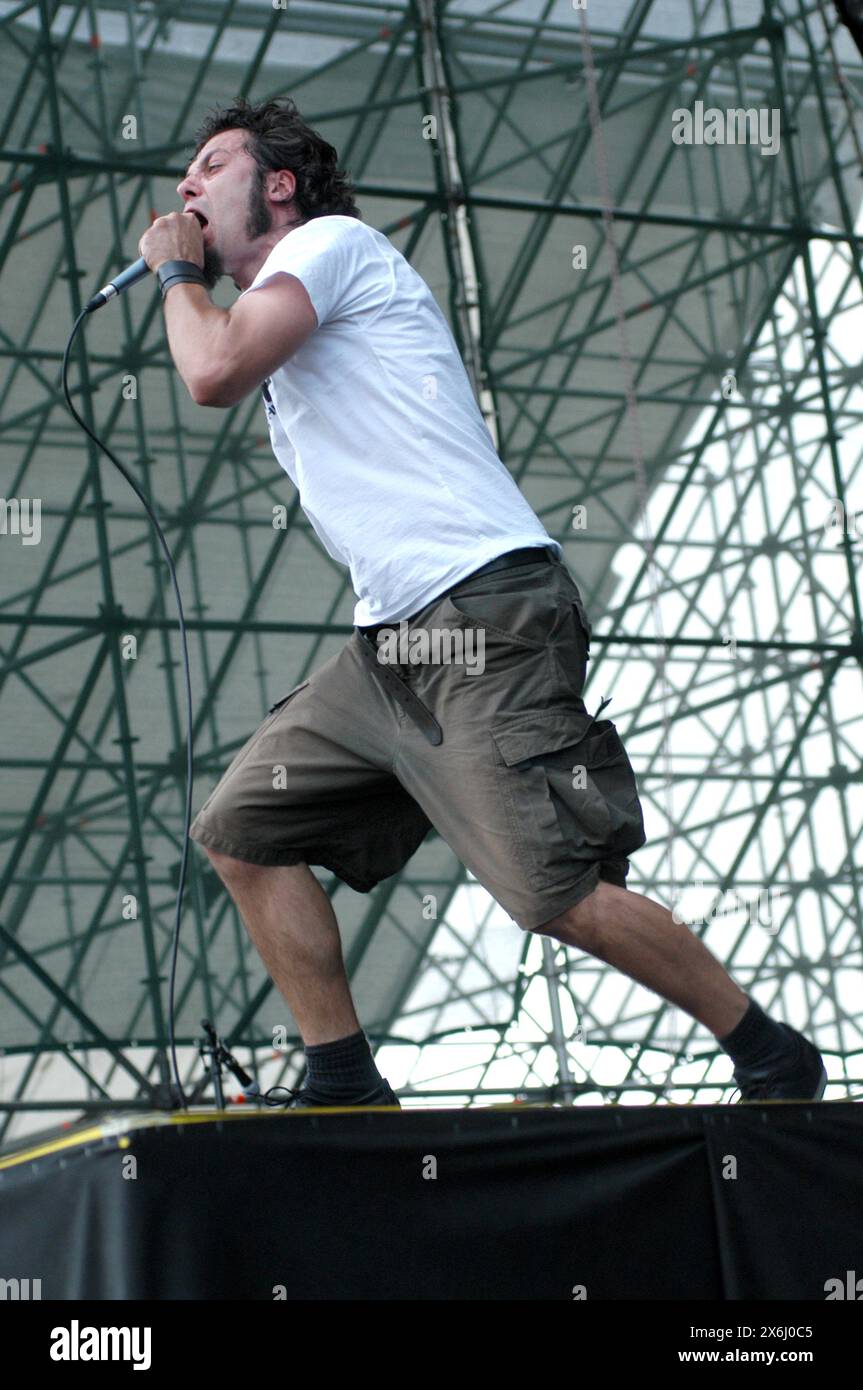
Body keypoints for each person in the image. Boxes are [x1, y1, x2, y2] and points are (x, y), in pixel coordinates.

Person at [140, 96, 826, 1109]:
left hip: (483, 615)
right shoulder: (283, 301)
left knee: (548, 892)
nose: (186, 189)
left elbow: (210, 369)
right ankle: (344, 1083)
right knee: (240, 828)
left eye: (209, 167)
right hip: (390, 647)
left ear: (277, 184)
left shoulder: (330, 244)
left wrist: (172, 271)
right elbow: (232, 357)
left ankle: (769, 1052)